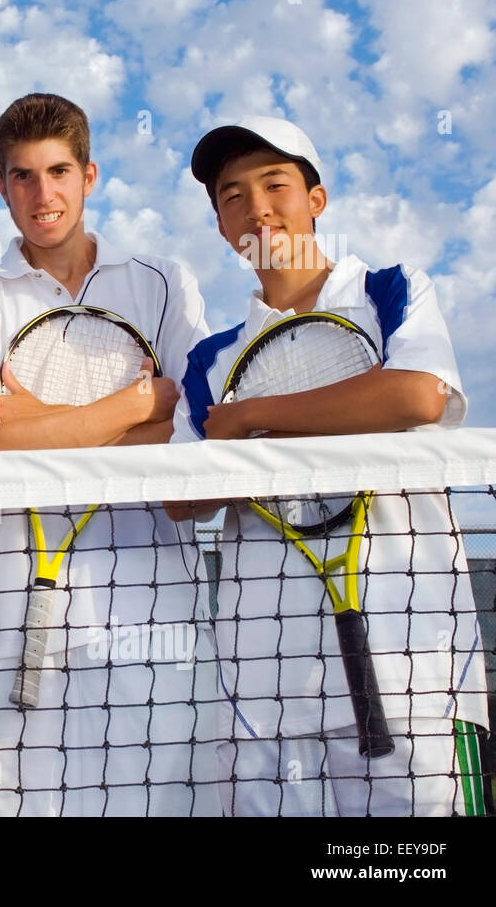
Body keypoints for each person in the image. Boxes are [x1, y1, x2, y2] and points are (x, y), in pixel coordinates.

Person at [171, 114, 488, 816]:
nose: (256, 207)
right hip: (264, 683)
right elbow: (182, 497)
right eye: (232, 196)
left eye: (275, 184)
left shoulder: (390, 291)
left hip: (412, 670)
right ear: (222, 225)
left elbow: (415, 394)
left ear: (315, 199)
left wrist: (253, 416)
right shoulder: (210, 361)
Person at [0, 93, 219, 817]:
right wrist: (133, 406)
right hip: (17, 605)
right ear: (1, 186)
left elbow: (199, 427)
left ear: (89, 175)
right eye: (23, 175)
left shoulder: (163, 281)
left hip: (155, 605)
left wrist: (33, 418)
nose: (43, 193)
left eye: (58, 171)